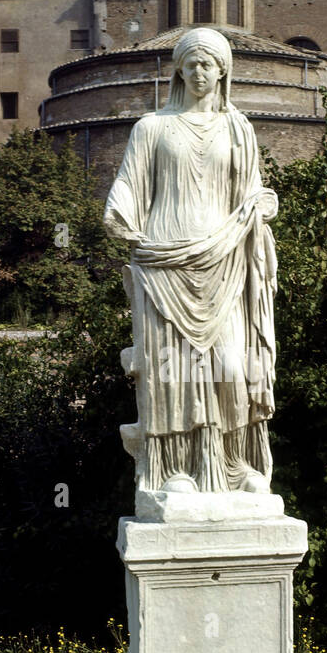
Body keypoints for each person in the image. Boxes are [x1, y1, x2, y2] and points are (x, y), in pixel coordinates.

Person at [103, 27, 278, 495]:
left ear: (223, 71)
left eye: (208, 64)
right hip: (165, 256)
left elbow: (252, 188)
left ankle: (236, 463)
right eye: (191, 64)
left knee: (232, 365)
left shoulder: (239, 129)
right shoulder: (152, 127)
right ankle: (176, 469)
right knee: (171, 371)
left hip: (225, 255)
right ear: (178, 69)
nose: (199, 72)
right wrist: (119, 217)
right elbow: (128, 183)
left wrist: (263, 204)